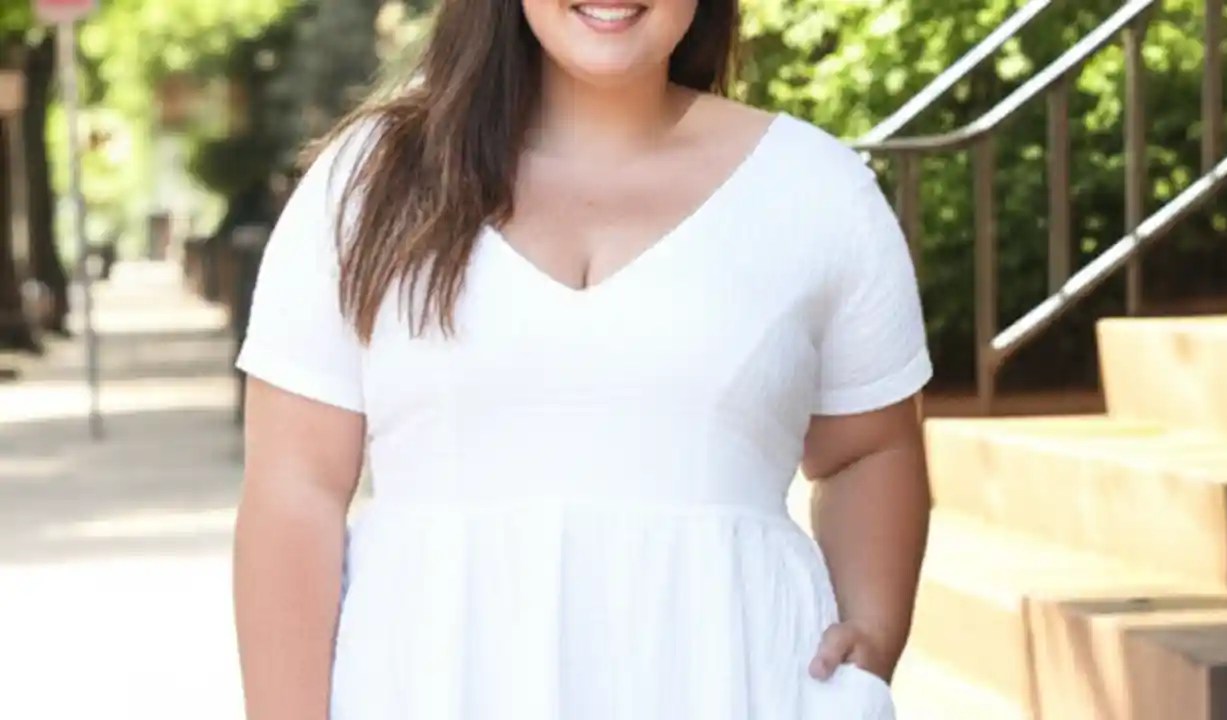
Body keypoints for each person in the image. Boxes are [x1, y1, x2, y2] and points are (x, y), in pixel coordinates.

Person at [232, 1, 933, 718]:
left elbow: (869, 448)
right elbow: (296, 488)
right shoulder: (369, 183)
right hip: (431, 682)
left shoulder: (815, 189)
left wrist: (873, 640)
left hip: (732, 680)